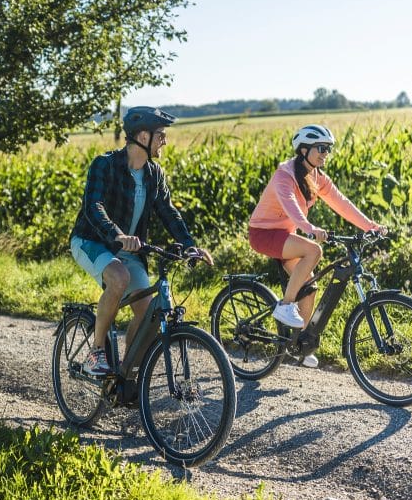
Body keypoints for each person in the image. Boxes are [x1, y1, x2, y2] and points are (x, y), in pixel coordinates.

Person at [69, 106, 213, 376]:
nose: (165, 141)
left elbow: (169, 212)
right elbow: (94, 206)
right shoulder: (105, 164)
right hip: (92, 241)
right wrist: (118, 235)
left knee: (147, 314)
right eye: (161, 134)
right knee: (118, 278)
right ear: (143, 137)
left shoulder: (153, 174)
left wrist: (190, 245)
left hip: (129, 250)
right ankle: (96, 352)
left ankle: (127, 372)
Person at [248, 124, 386, 367]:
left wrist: (369, 226)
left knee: (310, 287)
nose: (325, 153)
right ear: (303, 150)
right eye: (321, 148)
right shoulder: (285, 175)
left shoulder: (316, 177)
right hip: (264, 233)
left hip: (285, 235)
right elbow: (289, 204)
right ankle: (285, 305)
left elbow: (342, 203)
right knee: (314, 250)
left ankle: (298, 345)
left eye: (328, 149)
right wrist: (309, 228)